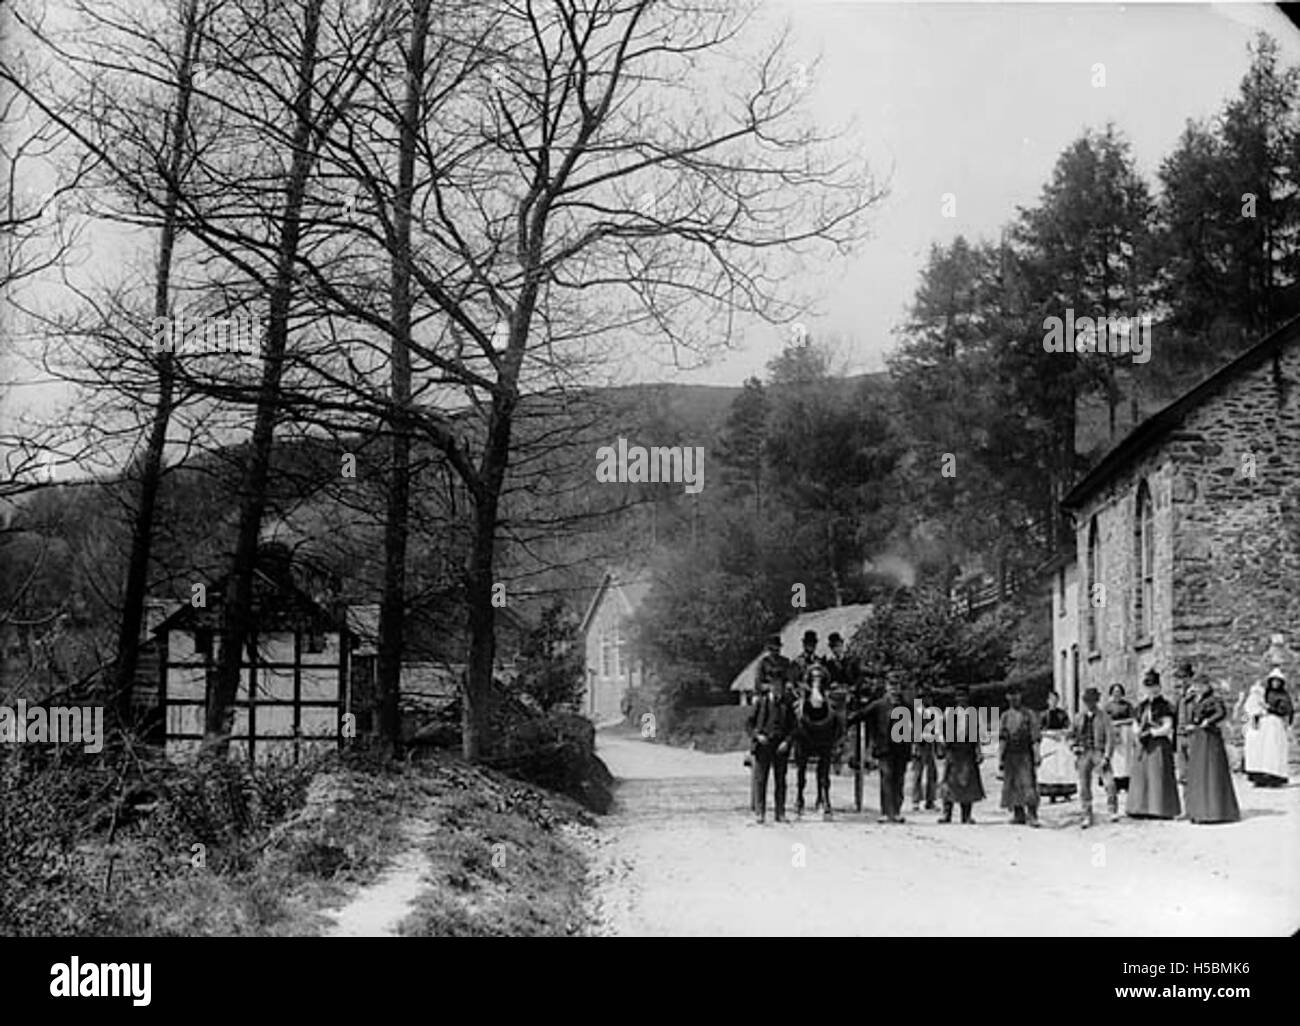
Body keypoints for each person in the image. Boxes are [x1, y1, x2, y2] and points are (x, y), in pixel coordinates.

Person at [1184, 674, 1240, 823]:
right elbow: (1193, 717)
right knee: (1199, 772)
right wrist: (1192, 725)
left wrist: (1208, 721)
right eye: (1197, 685)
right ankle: (1199, 810)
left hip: (1211, 738)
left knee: (1211, 770)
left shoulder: (1214, 699)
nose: (1199, 688)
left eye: (1202, 685)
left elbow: (1221, 713)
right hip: (1198, 738)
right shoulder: (1194, 700)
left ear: (1208, 686)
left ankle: (1216, 810)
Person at [855, 674, 911, 823]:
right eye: (891, 685)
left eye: (896, 685)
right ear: (886, 687)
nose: (894, 689)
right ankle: (886, 812)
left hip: (902, 749)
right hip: (884, 748)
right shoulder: (879, 705)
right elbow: (860, 715)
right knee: (886, 777)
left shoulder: (907, 706)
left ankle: (897, 811)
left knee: (899, 780)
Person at [1127, 669, 1181, 819]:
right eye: (1148, 686)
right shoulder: (1141, 706)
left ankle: (1160, 808)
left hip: (1158, 744)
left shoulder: (1165, 706)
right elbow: (1135, 722)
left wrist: (1153, 732)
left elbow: (1168, 726)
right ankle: (1139, 807)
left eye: (1154, 686)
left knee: (1157, 775)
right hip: (1143, 744)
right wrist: (1137, 731)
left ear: (1159, 687)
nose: (1151, 689)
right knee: (1141, 776)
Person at [747, 666, 796, 824]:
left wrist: (787, 742)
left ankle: (780, 813)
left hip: (780, 745)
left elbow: (794, 727)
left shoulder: (787, 704)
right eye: (774, 684)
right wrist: (757, 735)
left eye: (779, 685)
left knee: (780, 780)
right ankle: (760, 812)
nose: (777, 687)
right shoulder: (761, 702)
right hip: (764, 745)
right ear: (770, 686)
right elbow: (749, 723)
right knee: (761, 779)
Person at [795, 666, 840, 820]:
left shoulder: (827, 666)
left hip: (823, 695)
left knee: (838, 711)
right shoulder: (799, 663)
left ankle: (824, 799)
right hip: (804, 692)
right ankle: (799, 797)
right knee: (791, 709)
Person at [937, 685, 984, 823]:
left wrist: (979, 751)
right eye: (959, 696)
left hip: (968, 750)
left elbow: (978, 734)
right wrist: (942, 743)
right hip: (953, 750)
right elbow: (939, 730)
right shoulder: (948, 712)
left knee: (967, 782)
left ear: (968, 697)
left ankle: (966, 815)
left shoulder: (974, 713)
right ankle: (947, 814)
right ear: (955, 698)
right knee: (949, 781)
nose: (961, 699)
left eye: (964, 696)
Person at [1070, 686, 1116, 828]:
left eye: (1092, 701)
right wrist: (1073, 747)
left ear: (1097, 701)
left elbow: (1110, 738)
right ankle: (1087, 814)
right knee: (1084, 786)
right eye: (1087, 701)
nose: (1090, 704)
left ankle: (1112, 810)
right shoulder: (1078, 717)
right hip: (1084, 753)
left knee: (1109, 783)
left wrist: (1107, 757)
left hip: (1099, 751)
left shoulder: (1104, 717)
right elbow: (1071, 735)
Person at [999, 684, 1041, 827]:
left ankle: (1032, 814)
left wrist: (1037, 754)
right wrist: (1000, 757)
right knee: (1012, 784)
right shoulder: (1005, 716)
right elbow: (1002, 738)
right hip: (1010, 754)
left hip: (1025, 753)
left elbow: (1035, 737)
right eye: (1011, 695)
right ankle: (1018, 814)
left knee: (1028, 783)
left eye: (1016, 694)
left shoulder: (1029, 714)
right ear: (1007, 697)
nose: (1014, 698)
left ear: (1021, 696)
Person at [1255, 669, 1294, 787]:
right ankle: (1261, 777)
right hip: (1264, 725)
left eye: (1278, 681)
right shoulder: (1265, 693)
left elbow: (1286, 710)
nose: (1275, 683)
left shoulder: (1283, 696)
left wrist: (1270, 708)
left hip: (1275, 724)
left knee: (1274, 750)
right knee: (1262, 750)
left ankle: (1275, 777)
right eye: (1273, 681)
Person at [1038, 689, 1076, 803]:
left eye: (1055, 699)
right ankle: (1051, 794)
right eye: (1051, 700)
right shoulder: (1043, 715)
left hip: (1060, 740)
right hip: (1049, 741)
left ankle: (1066, 792)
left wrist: (1063, 733)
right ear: (1048, 701)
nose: (1053, 702)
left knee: (1064, 765)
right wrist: (1049, 735)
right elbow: (1039, 730)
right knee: (1050, 767)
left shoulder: (1062, 714)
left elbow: (1069, 727)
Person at [909, 690, 939, 813]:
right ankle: (916, 801)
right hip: (919, 745)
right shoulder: (915, 713)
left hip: (929, 745)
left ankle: (930, 800)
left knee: (932, 774)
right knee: (918, 774)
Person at [1104, 683, 1136, 793]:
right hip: (1113, 733)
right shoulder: (1108, 706)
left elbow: (1132, 719)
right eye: (1114, 692)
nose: (1116, 694)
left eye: (1118, 692)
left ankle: (1127, 782)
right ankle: (1116, 782)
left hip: (1126, 732)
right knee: (1115, 758)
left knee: (1126, 758)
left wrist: (1119, 722)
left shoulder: (1127, 705)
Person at [1173, 660, 1196, 785]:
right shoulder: (1180, 694)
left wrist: (1194, 724)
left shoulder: (1195, 694)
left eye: (1184, 677)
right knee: (1181, 757)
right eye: (1180, 678)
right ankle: (1183, 777)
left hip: (1191, 731)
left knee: (1192, 757)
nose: (1182, 681)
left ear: (1190, 677)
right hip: (1180, 731)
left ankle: (1194, 779)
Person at [1241, 680, 1267, 783]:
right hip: (1253, 731)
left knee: (1259, 753)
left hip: (1259, 731)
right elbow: (1247, 716)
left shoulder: (1260, 702)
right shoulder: (1251, 704)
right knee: (1253, 753)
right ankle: (1253, 774)